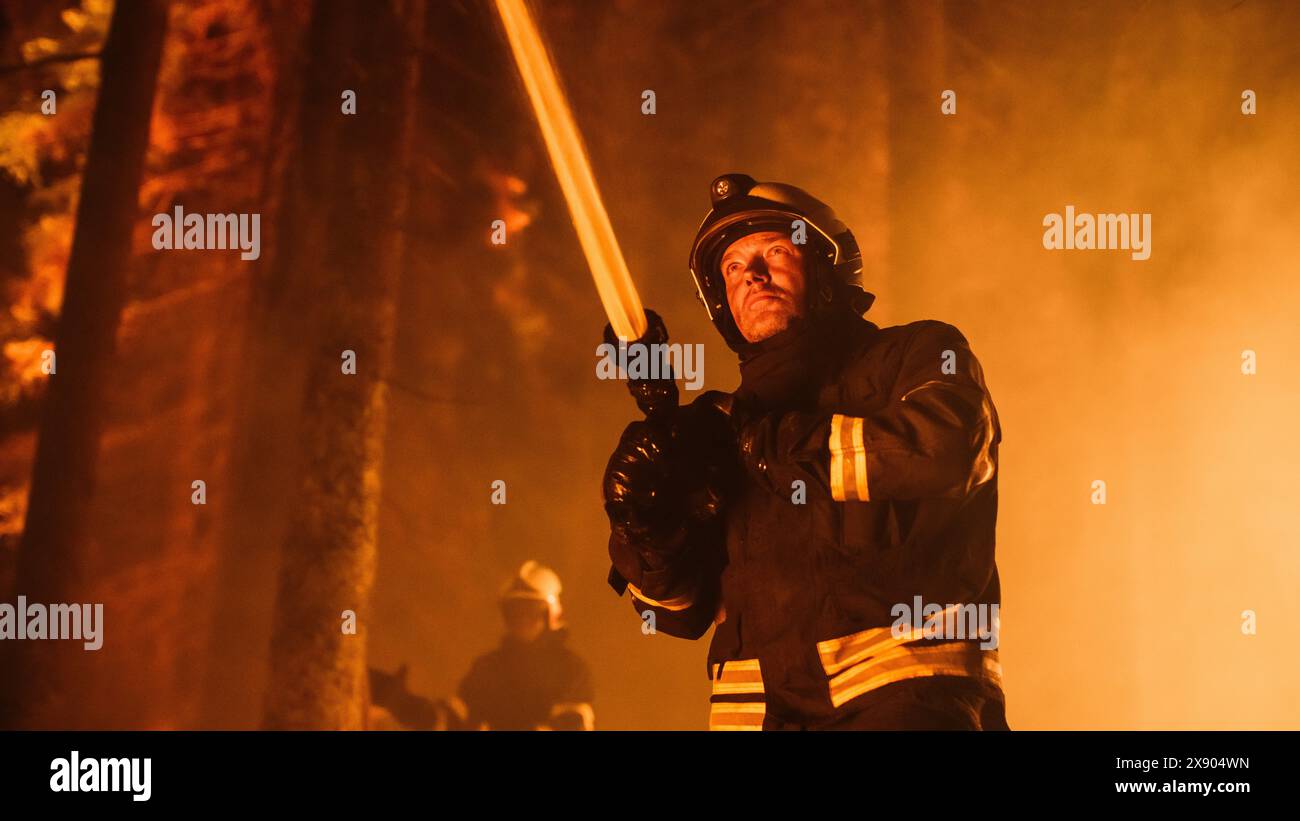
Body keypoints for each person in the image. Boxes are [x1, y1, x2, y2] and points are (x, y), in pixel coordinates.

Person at [602, 173, 1009, 730]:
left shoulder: (915, 356)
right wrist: (644, 522)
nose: (753, 276)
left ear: (823, 267)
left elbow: (942, 449)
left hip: (902, 707)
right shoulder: (715, 430)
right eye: (733, 268)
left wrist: (766, 442)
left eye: (774, 251)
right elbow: (677, 608)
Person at [369, 561, 594, 730]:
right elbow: (456, 718)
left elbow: (572, 723)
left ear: (551, 615)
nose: (522, 620)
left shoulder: (571, 670)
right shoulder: (488, 667)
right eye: (514, 612)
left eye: (530, 611)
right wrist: (404, 704)